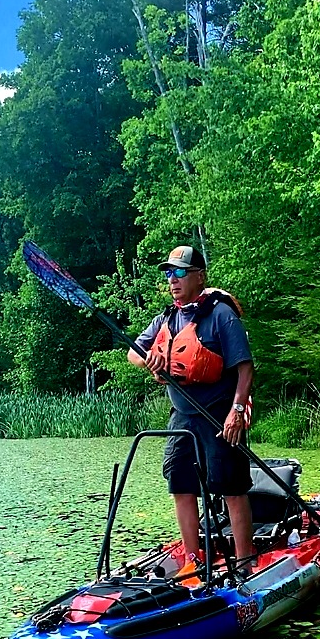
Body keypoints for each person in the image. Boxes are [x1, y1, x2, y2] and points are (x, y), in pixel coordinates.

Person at [128, 245, 257, 575]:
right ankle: (193, 559)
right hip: (182, 417)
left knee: (231, 484)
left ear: (200, 277)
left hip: (219, 413)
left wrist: (237, 410)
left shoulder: (220, 316)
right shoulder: (166, 318)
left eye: (181, 272)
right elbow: (133, 353)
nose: (173, 279)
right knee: (180, 482)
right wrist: (150, 362)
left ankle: (245, 560)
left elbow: (245, 368)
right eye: (169, 273)